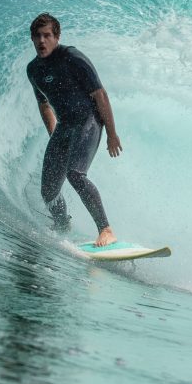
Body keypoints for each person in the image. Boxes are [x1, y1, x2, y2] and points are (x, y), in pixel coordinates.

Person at [26, 13, 123, 246]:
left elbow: (100, 95)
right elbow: (43, 103)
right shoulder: (34, 70)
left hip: (88, 121)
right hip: (65, 127)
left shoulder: (72, 57)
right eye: (37, 36)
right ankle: (62, 224)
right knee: (48, 190)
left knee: (75, 174)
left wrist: (111, 134)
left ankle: (106, 229)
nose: (42, 41)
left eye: (47, 35)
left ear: (57, 36)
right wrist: (54, 135)